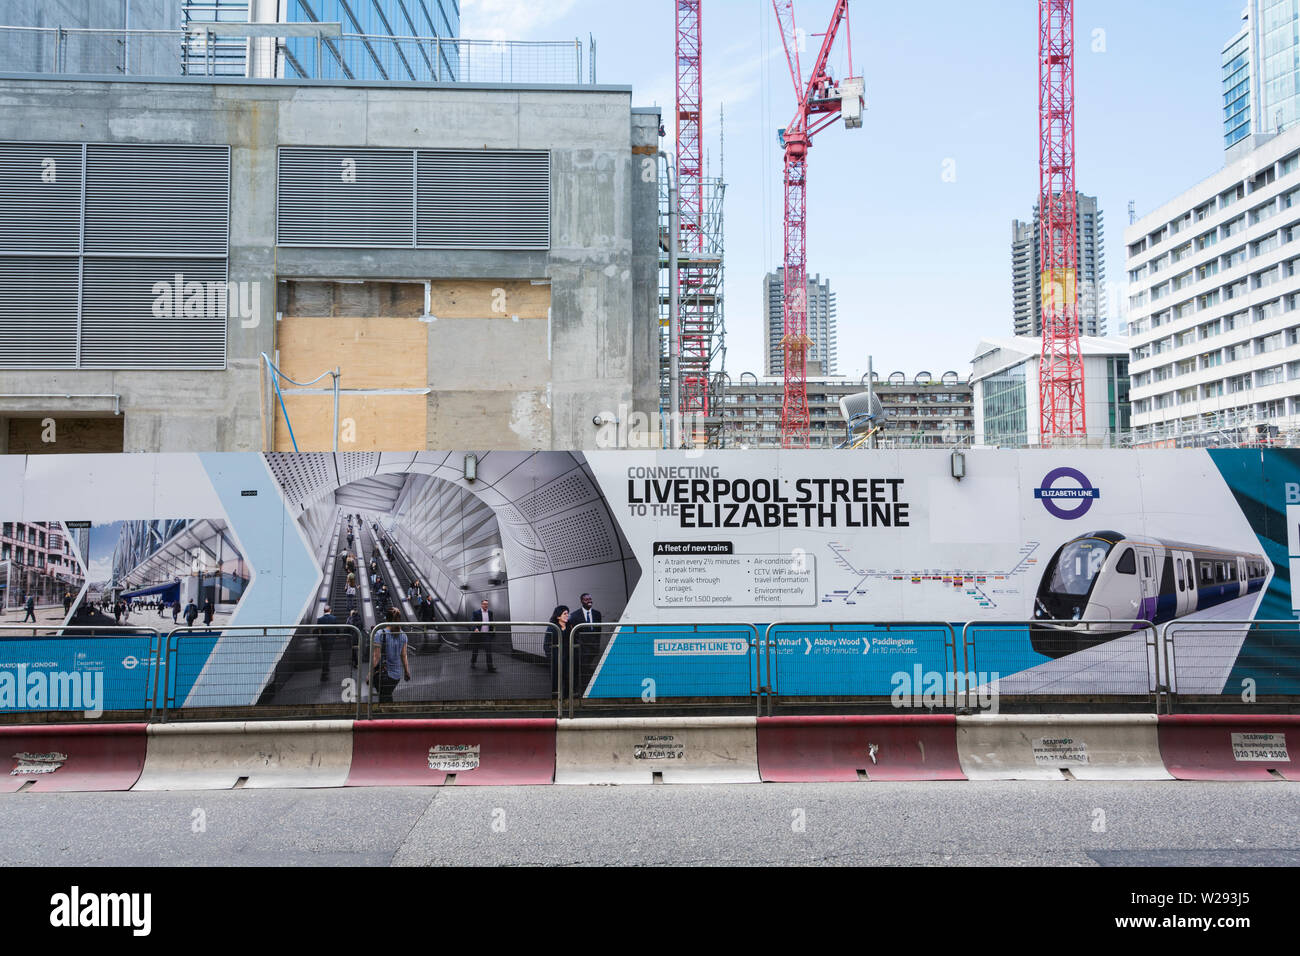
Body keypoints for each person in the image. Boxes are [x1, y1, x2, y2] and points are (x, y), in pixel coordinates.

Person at [371, 607, 410, 705]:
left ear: (386, 619)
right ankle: (387, 715)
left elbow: (376, 657)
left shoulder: (379, 634)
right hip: (396, 676)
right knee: (386, 695)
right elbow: (404, 656)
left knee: (384, 697)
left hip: (384, 675)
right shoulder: (403, 635)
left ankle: (387, 717)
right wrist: (406, 672)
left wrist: (369, 674)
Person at [568, 593, 603, 693]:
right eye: (586, 599)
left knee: (586, 669)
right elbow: (573, 633)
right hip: (581, 649)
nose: (589, 601)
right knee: (583, 669)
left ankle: (584, 689)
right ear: (581, 601)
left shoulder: (597, 614)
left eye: (590, 599)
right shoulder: (574, 616)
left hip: (593, 649)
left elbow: (598, 631)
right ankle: (582, 690)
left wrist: (597, 646)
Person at [547, 605, 570, 699]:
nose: (567, 615)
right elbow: (546, 645)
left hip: (568, 658)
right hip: (556, 659)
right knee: (556, 680)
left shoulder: (570, 627)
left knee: (568, 679)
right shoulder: (552, 628)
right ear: (558, 616)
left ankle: (566, 700)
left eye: (568, 613)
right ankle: (555, 700)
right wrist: (552, 658)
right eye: (565, 613)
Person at [469, 598, 497, 672]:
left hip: (487, 635)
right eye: (484, 604)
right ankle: (473, 662)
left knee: (488, 651)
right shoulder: (476, 612)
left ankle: (490, 667)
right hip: (478, 634)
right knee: (475, 650)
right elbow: (472, 622)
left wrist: (493, 631)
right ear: (481, 605)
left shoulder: (490, 612)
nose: (486, 605)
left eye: (487, 604)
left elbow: (492, 622)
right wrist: (475, 628)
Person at [316, 605, 339, 682]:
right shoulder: (334, 618)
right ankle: (324, 671)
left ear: (324, 611)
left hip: (323, 640)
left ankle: (326, 668)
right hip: (331, 640)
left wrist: (319, 638)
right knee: (327, 655)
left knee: (324, 654)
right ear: (330, 610)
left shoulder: (320, 619)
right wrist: (338, 635)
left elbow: (318, 630)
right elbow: (337, 629)